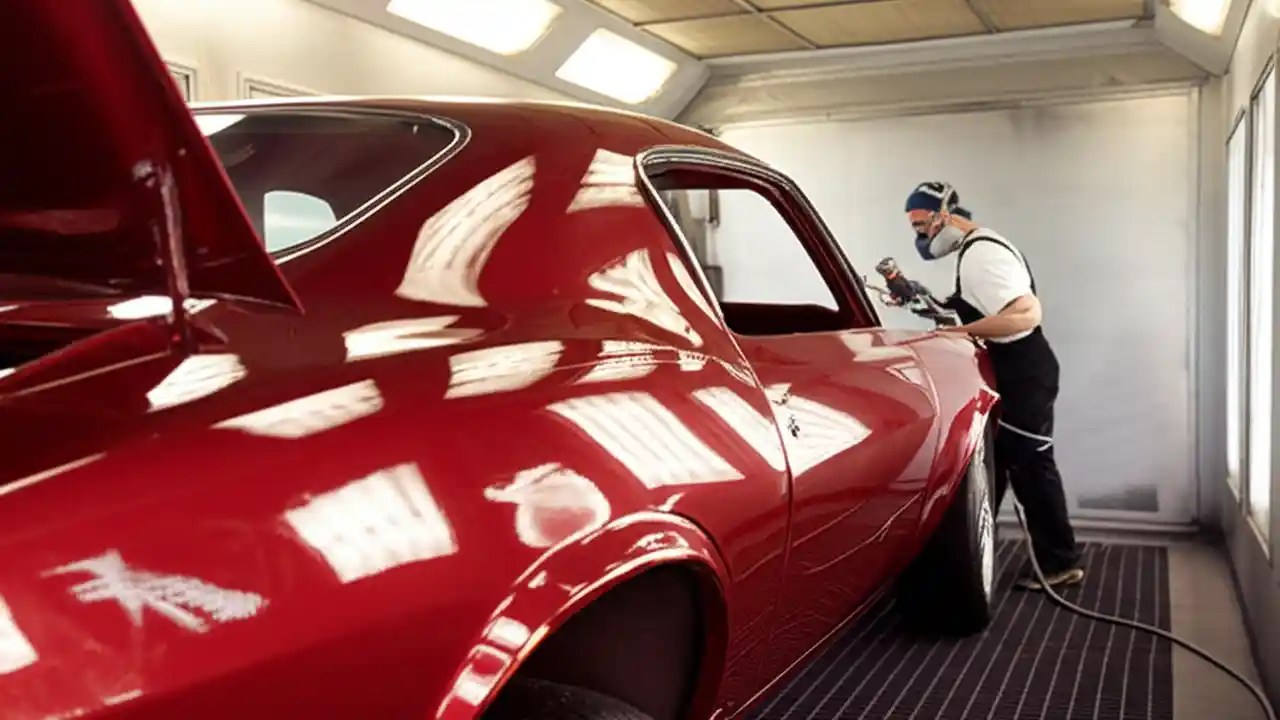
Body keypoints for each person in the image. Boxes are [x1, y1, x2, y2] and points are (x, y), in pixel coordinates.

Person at [904, 181, 1085, 591]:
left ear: (944, 216)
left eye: (920, 226)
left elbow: (1024, 315)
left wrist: (959, 332)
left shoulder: (980, 254)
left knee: (1028, 466)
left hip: (1024, 375)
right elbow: (986, 307)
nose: (919, 236)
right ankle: (967, 556)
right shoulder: (975, 251)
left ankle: (1059, 562)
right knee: (996, 466)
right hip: (1016, 374)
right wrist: (934, 305)